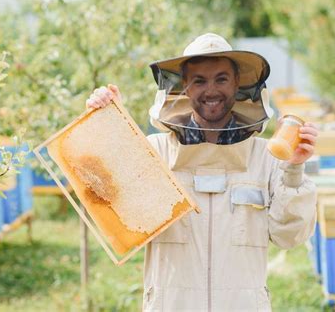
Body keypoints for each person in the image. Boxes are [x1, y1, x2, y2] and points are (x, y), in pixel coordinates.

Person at [86, 33, 318, 311]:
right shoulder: (156, 152)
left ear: (237, 84)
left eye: (221, 79)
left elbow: (289, 236)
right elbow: (119, 214)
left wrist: (294, 168)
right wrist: (111, 123)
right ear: (185, 86)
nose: (211, 90)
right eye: (199, 80)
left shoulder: (264, 158)